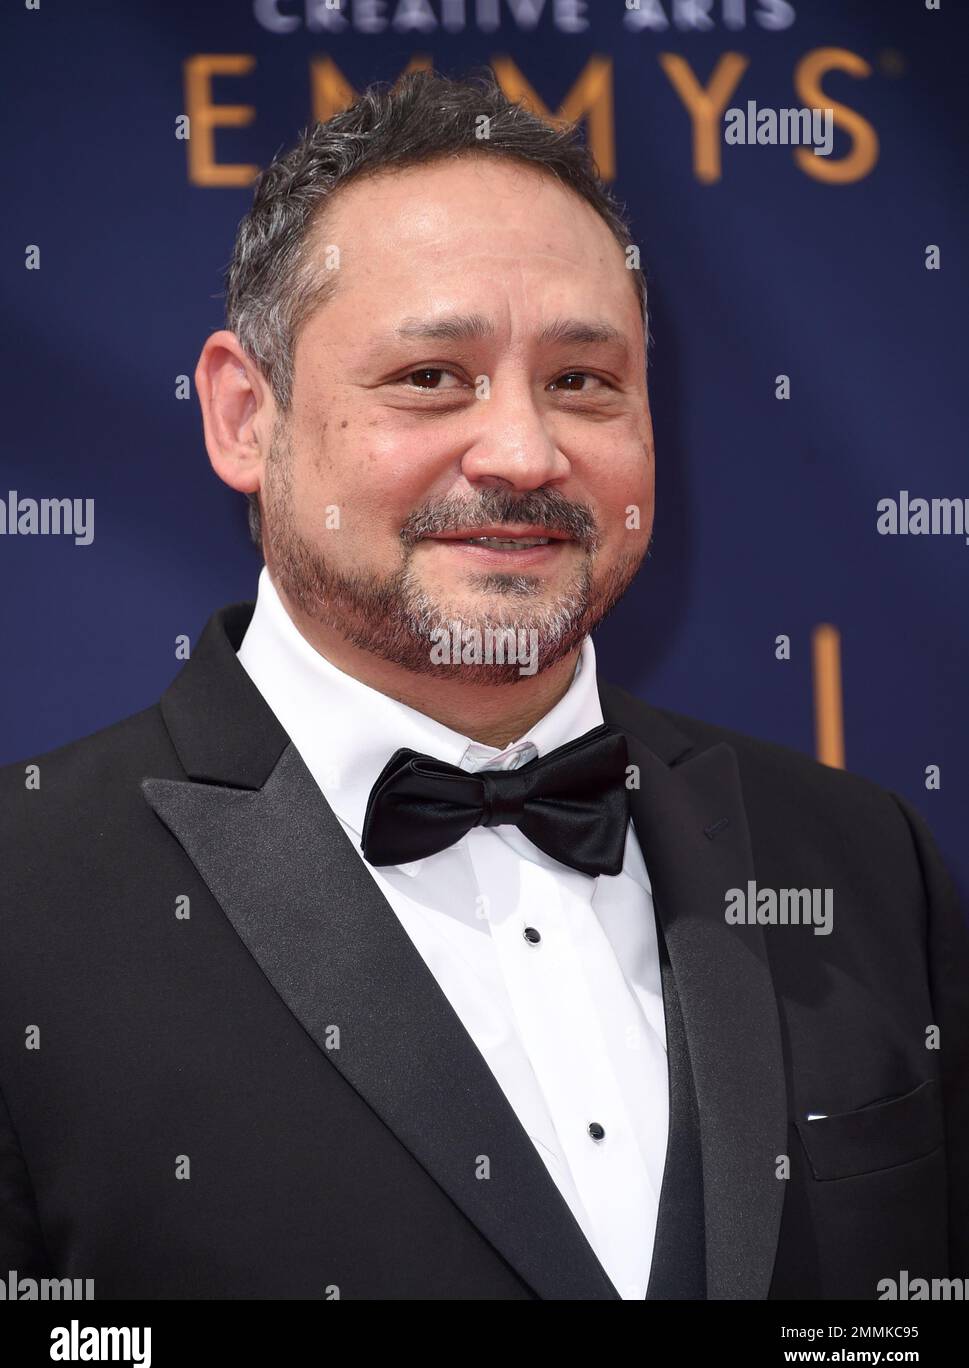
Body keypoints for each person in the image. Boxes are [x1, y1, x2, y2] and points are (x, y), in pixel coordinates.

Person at [1, 69, 965, 1301]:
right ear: (246, 416)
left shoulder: (860, 859)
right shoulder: (22, 897)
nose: (523, 452)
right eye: (431, 377)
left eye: (582, 382)